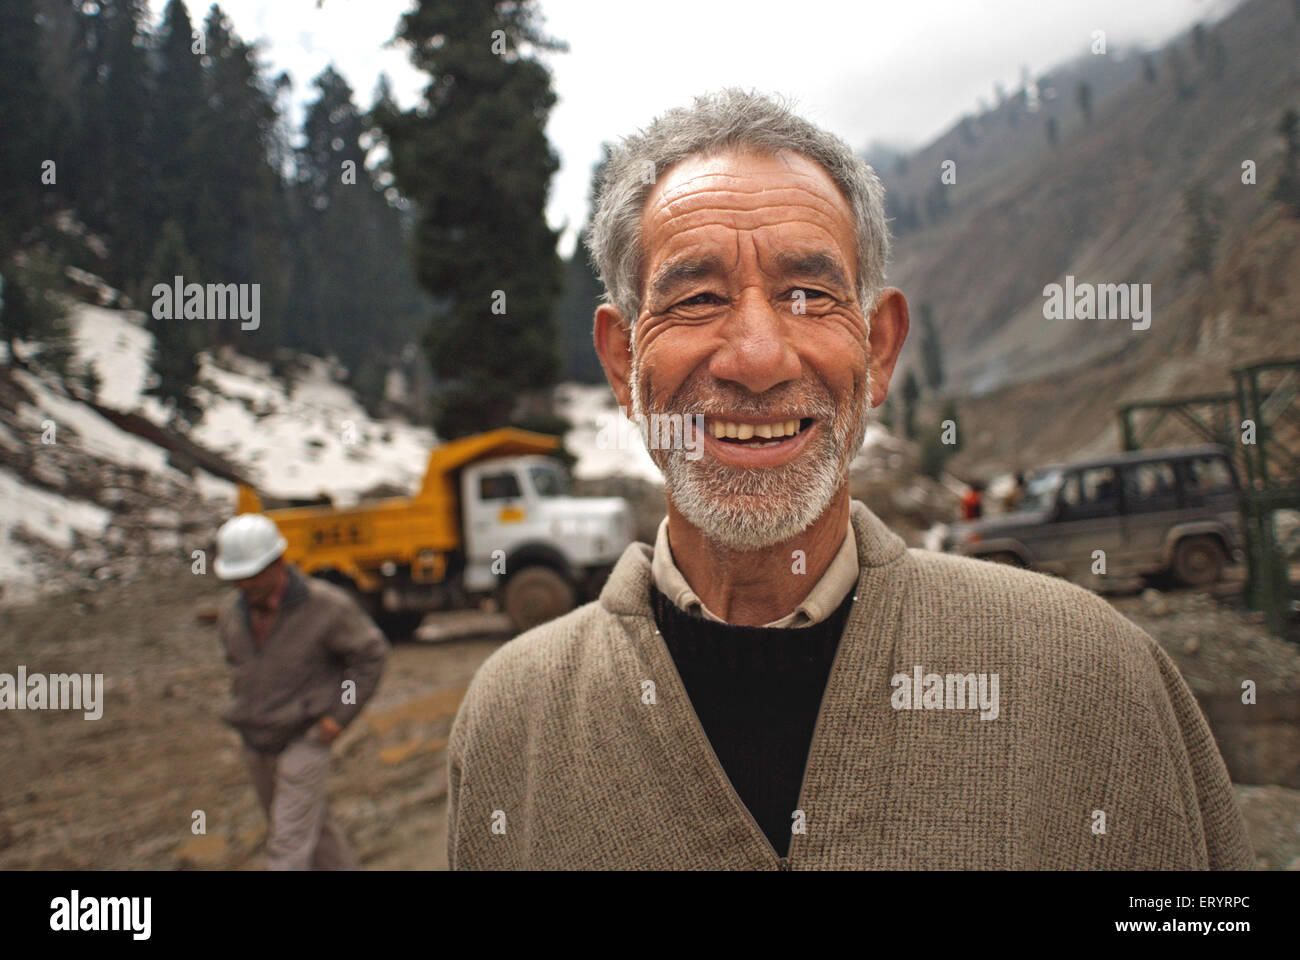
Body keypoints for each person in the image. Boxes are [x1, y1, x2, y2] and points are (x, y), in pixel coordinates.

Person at [446, 89, 1253, 870]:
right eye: (696, 297)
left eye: (809, 295)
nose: (758, 359)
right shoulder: (510, 722)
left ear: (880, 349)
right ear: (623, 362)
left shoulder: (1092, 673)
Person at [214, 513, 388, 870]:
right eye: (236, 577)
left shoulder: (327, 606)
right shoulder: (231, 614)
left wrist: (339, 716)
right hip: (256, 742)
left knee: (287, 843)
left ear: (278, 562)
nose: (244, 585)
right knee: (312, 828)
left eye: (251, 574)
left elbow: (371, 656)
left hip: (305, 739)